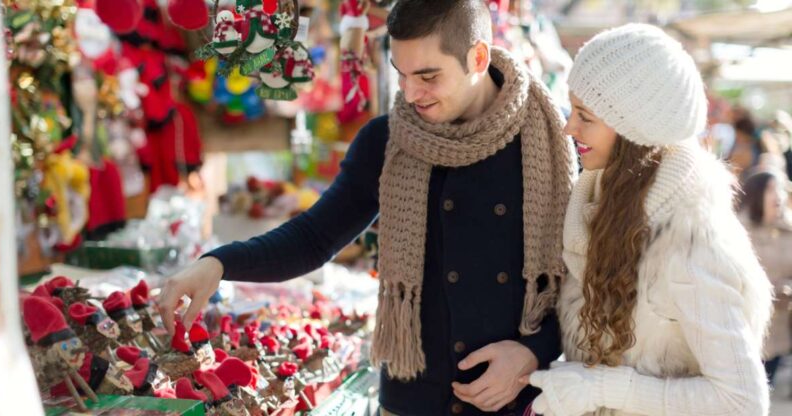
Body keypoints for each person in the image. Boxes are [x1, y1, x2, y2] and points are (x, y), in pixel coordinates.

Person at [158, 1, 577, 414]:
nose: (411, 95)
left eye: (428, 76)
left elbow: (584, 280)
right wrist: (218, 263)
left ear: (478, 58)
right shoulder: (386, 140)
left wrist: (533, 352)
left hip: (515, 400)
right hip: (414, 400)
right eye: (402, 75)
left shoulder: (552, 142)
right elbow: (314, 238)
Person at [525, 24, 773, 416]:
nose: (568, 127)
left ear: (632, 131)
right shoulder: (596, 206)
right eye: (571, 110)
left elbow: (743, 402)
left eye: (584, 116)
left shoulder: (690, 240)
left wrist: (603, 388)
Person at [739, 169, 792, 387]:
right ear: (755, 194)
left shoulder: (789, 232)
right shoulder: (737, 232)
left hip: (779, 330)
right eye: (771, 189)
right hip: (743, 330)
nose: (778, 195)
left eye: (780, 188)